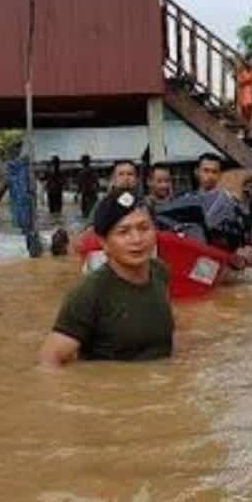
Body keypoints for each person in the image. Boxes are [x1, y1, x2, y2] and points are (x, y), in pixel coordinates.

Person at [39, 190, 174, 368]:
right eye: (124, 232)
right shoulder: (89, 292)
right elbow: (49, 360)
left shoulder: (160, 272)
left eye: (144, 228)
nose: (137, 239)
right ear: (103, 242)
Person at [76, 154, 99, 220]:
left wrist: (77, 194)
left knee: (85, 214)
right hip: (91, 193)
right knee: (92, 212)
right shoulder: (92, 171)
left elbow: (80, 185)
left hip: (86, 193)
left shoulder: (81, 172)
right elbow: (97, 183)